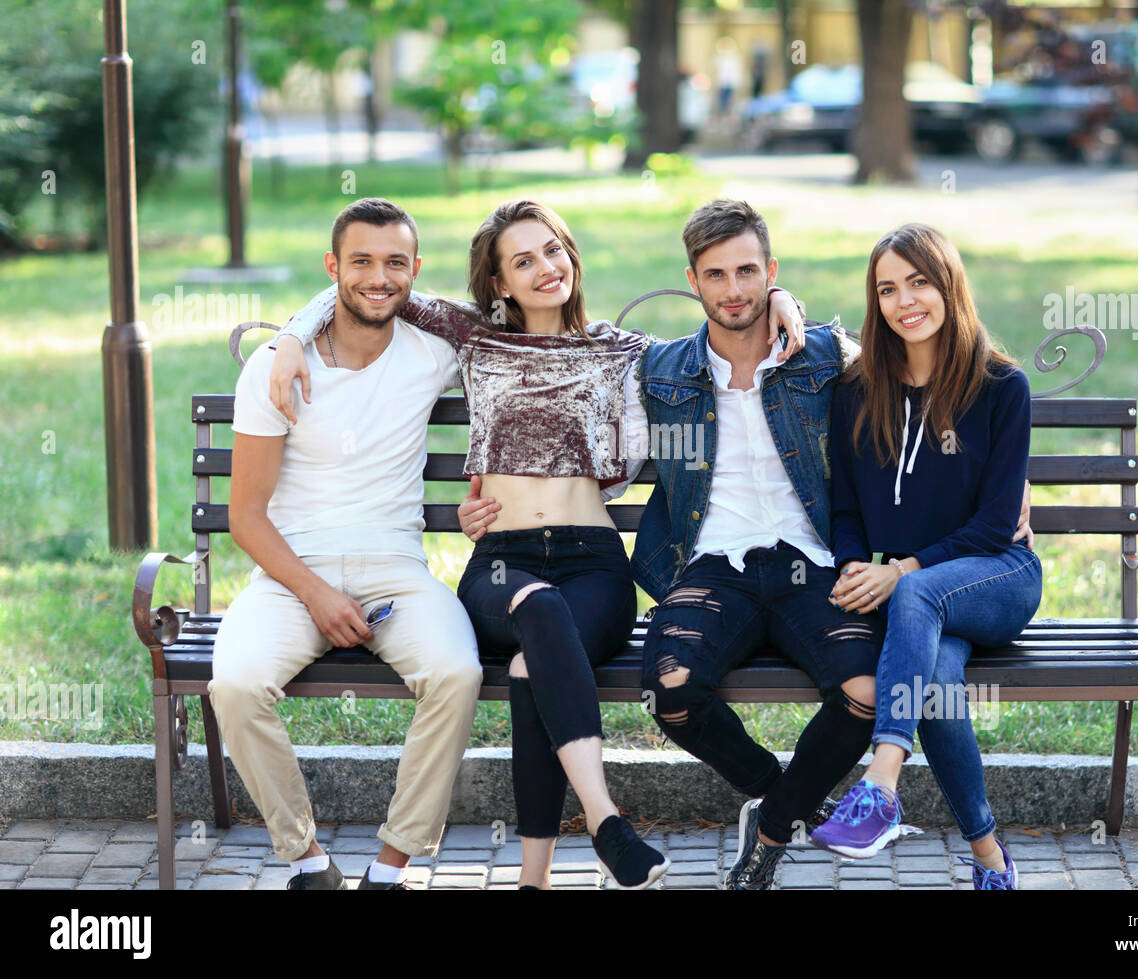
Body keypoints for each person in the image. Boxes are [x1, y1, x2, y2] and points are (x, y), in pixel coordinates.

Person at [464, 199, 1032, 891]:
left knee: (864, 690)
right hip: (711, 568)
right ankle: (785, 797)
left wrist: (1011, 493)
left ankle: (768, 832)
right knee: (669, 691)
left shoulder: (824, 355)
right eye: (716, 274)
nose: (734, 290)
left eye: (748, 271)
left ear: (771, 272)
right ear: (692, 280)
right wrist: (495, 490)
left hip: (811, 566)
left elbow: (920, 375)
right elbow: (593, 445)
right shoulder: (660, 370)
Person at [268, 199, 807, 889]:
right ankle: (605, 818)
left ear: (572, 255)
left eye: (553, 249)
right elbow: (375, 287)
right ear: (498, 283)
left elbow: (727, 321)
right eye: (523, 260)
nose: (545, 267)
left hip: (596, 570)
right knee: (539, 613)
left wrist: (782, 295)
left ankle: (534, 881)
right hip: (503, 564)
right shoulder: (473, 337)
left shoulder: (622, 349)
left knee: (531, 668)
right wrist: (290, 336)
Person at [209, 197, 483, 890]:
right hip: (289, 575)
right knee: (235, 684)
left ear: (416, 272)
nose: (378, 277)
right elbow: (245, 514)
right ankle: (306, 860)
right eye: (360, 261)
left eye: (396, 263)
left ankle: (393, 865)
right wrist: (316, 594)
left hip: (396, 568)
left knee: (456, 672)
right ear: (332, 267)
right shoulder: (275, 368)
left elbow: (524, 325)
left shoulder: (435, 350)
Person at [810, 223, 1042, 891]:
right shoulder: (858, 390)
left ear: (948, 285)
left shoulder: (1001, 385)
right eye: (888, 288)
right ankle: (991, 855)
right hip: (914, 596)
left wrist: (900, 571)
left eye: (919, 281)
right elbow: (846, 505)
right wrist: (858, 564)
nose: (905, 300)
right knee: (936, 684)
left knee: (917, 593)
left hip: (999, 575)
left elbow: (999, 522)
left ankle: (880, 785)